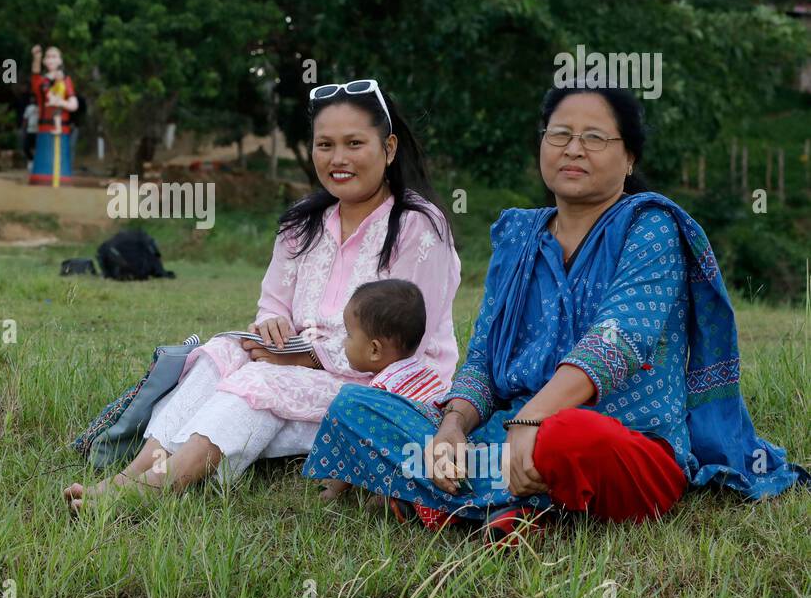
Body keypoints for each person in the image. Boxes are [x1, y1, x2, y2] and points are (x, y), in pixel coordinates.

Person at [305, 83, 808, 544]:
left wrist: (533, 419)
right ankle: (496, 499)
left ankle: (430, 493)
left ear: (629, 157)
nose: (572, 149)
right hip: (505, 440)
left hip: (620, 444)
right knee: (356, 405)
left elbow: (616, 343)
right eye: (560, 134)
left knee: (567, 437)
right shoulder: (518, 238)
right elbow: (482, 360)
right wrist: (453, 427)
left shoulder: (650, 228)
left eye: (594, 138)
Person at [64, 79, 461, 513]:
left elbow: (403, 343)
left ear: (388, 148)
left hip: (377, 388)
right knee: (220, 354)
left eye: (354, 143)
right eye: (324, 144)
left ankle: (156, 487)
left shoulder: (417, 226)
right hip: (294, 363)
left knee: (259, 380)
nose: (338, 159)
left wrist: (300, 358)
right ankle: (133, 472)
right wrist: (271, 327)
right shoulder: (301, 224)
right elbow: (273, 303)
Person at [317, 278, 449, 503]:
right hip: (439, 456)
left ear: (375, 350)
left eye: (349, 335)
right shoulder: (427, 374)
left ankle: (387, 495)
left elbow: (354, 445)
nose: (343, 343)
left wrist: (334, 489)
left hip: (412, 457)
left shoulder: (379, 392)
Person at [28, 44, 78, 185]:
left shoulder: (66, 81)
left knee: (61, 166)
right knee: (44, 165)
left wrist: (60, 102)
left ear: (60, 61)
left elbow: (74, 104)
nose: (51, 60)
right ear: (44, 61)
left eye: (54, 57)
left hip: (62, 128)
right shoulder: (40, 81)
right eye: (48, 57)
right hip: (44, 128)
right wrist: (36, 57)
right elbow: (35, 72)